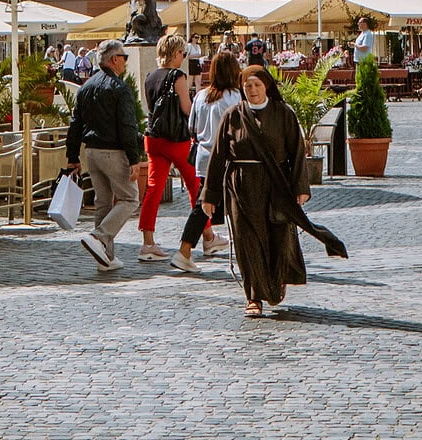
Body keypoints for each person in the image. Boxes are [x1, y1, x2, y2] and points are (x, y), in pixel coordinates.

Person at [201, 66, 347, 317]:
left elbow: (297, 153)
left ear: (266, 86)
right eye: (247, 86)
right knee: (247, 241)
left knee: (278, 238)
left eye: (257, 85)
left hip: (276, 186)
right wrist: (210, 195)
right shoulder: (232, 116)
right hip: (242, 187)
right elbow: (217, 158)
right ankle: (253, 297)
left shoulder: (283, 114)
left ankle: (276, 280)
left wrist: (300, 187)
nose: (253, 90)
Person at [66, 39, 141, 273]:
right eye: (124, 57)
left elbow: (75, 124)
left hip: (92, 152)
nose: (126, 62)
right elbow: (127, 125)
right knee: (130, 199)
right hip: (113, 151)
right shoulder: (119, 88)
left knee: (103, 202)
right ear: (114, 59)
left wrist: (72, 156)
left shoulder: (86, 88)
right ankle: (99, 238)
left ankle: (105, 259)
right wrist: (135, 159)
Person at [171, 51, 241, 273]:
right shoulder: (235, 97)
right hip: (227, 158)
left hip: (203, 157)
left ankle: (185, 249)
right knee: (239, 203)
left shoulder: (201, 96)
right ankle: (243, 248)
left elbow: (191, 126)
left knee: (204, 205)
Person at [138, 34, 200, 262]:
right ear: (176, 54)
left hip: (154, 138)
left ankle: (148, 242)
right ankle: (207, 233)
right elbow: (186, 108)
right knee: (195, 184)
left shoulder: (150, 76)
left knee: (153, 188)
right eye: (183, 53)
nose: (183, 57)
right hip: (176, 138)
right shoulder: (178, 76)